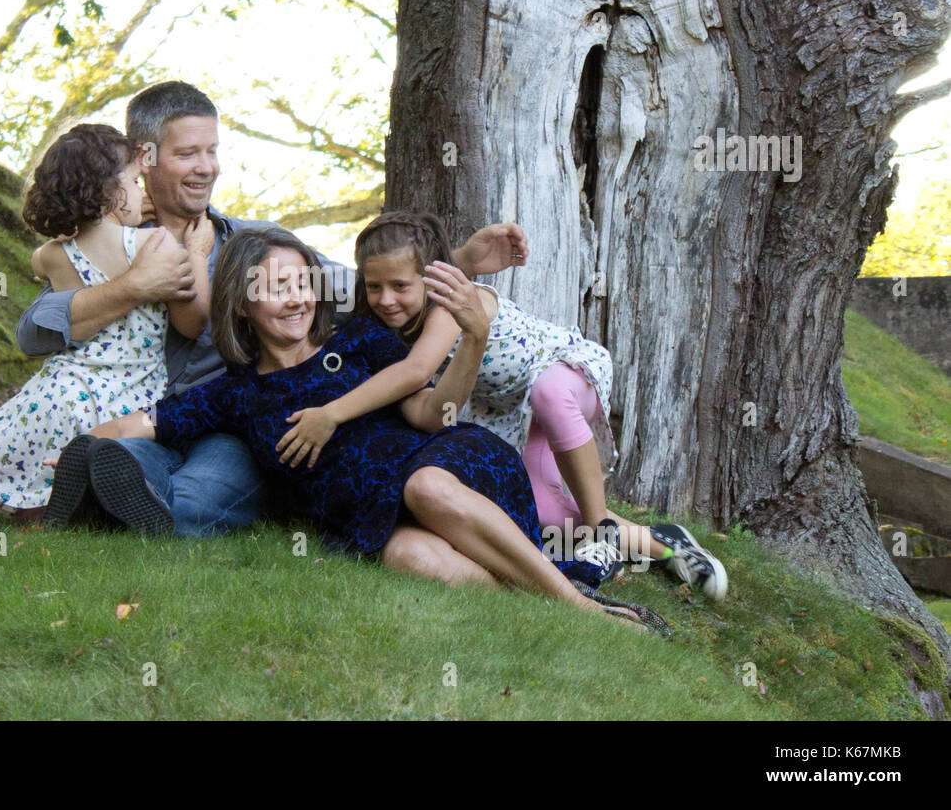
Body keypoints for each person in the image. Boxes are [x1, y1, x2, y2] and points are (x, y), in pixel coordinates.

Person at [47, 227, 667, 632]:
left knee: (424, 486)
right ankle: (543, 596)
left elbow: (432, 412)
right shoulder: (237, 392)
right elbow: (148, 422)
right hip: (376, 519)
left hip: (446, 464)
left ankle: (582, 611)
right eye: (275, 288)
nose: (295, 299)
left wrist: (472, 342)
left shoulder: (360, 341)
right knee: (407, 557)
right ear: (241, 304)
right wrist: (81, 448)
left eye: (302, 283)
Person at [15, 81, 536, 539]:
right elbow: (34, 333)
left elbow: (359, 288)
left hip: (232, 418)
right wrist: (134, 285)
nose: (207, 168)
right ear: (145, 159)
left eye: (212, 151)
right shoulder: (108, 245)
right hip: (146, 412)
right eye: (189, 153)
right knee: (131, 455)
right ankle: (105, 486)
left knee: (207, 489)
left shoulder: (252, 244)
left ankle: (124, 511)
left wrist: (458, 261)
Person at [273, 211, 729, 599]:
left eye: (399, 285)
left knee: (550, 392)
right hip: (508, 410)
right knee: (544, 515)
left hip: (561, 372)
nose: (386, 299)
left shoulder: (450, 307)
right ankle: (665, 546)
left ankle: (599, 528)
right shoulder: (394, 318)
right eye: (374, 287)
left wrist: (332, 414)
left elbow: (414, 373)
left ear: (431, 280)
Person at [0, 123, 211, 535]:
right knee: (84, 469)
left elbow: (70, 257)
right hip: (124, 399)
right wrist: (196, 251)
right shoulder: (154, 246)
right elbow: (194, 321)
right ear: (109, 191)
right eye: (134, 182)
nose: (142, 193)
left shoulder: (49, 256)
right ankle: (60, 512)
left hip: (57, 390)